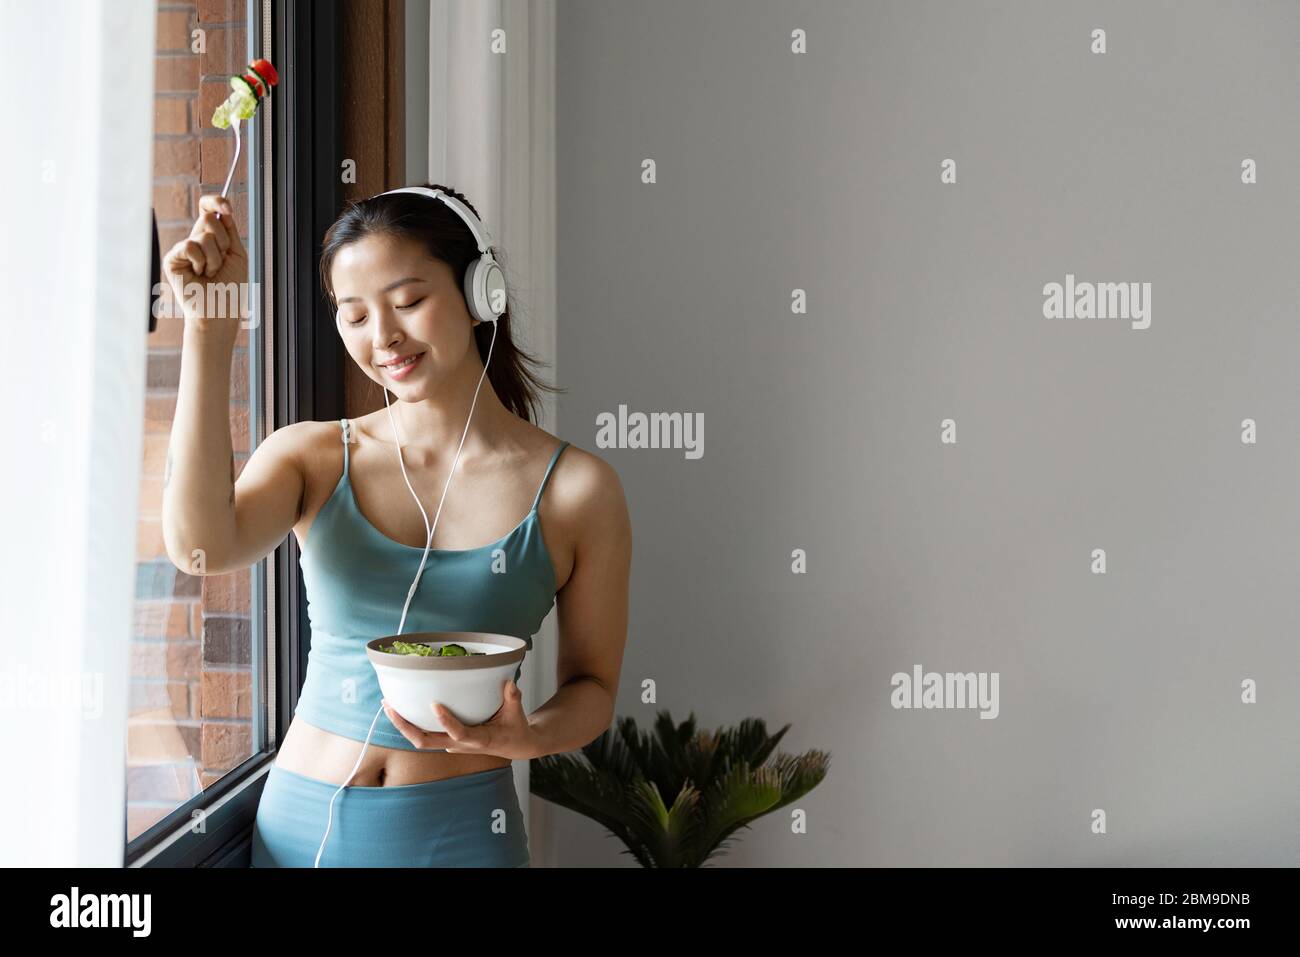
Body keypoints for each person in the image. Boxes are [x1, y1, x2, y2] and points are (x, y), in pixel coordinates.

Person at [161, 184, 632, 867]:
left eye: (408, 302)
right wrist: (208, 332)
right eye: (354, 316)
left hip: (466, 835)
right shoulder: (312, 455)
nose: (382, 338)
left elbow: (593, 688)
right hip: (302, 832)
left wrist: (523, 737)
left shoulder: (579, 491)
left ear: (481, 292)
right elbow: (198, 548)